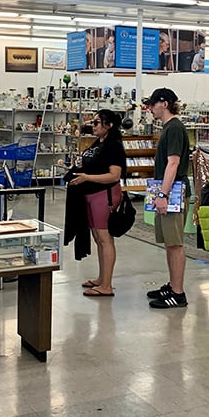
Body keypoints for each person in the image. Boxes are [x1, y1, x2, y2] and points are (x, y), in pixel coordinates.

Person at [66, 109, 127, 297]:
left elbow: (114, 175)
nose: (92, 126)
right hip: (92, 195)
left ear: (108, 125)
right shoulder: (98, 143)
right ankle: (102, 278)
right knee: (98, 239)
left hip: (104, 195)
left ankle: (106, 285)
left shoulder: (113, 146)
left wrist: (87, 177)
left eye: (97, 122)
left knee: (105, 239)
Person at [145, 88, 189, 308]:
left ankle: (178, 293)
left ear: (164, 103)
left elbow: (173, 162)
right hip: (168, 189)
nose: (150, 108)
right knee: (169, 243)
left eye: (152, 104)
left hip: (173, 191)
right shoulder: (169, 128)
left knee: (175, 243)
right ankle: (173, 285)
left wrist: (163, 193)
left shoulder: (174, 128)